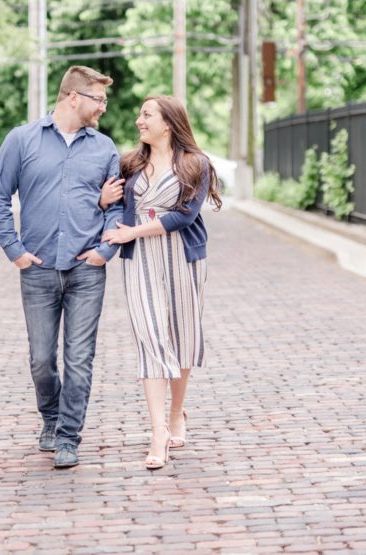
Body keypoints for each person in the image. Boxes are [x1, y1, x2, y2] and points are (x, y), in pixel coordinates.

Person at [0, 65, 123, 469]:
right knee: (41, 359)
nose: (103, 107)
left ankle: (68, 436)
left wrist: (104, 250)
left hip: (86, 270)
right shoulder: (21, 140)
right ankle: (50, 417)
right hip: (39, 268)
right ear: (73, 97)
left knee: (79, 359)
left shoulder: (104, 148)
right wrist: (14, 250)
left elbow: (116, 206)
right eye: (98, 99)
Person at [100, 95, 222, 470]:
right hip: (141, 262)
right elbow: (115, 206)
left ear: (168, 123)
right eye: (139, 113)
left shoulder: (195, 165)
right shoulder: (130, 163)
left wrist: (134, 230)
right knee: (152, 339)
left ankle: (176, 414)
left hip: (183, 260)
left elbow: (184, 217)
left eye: (146, 114)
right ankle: (157, 432)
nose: (139, 120)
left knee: (181, 338)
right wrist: (104, 202)